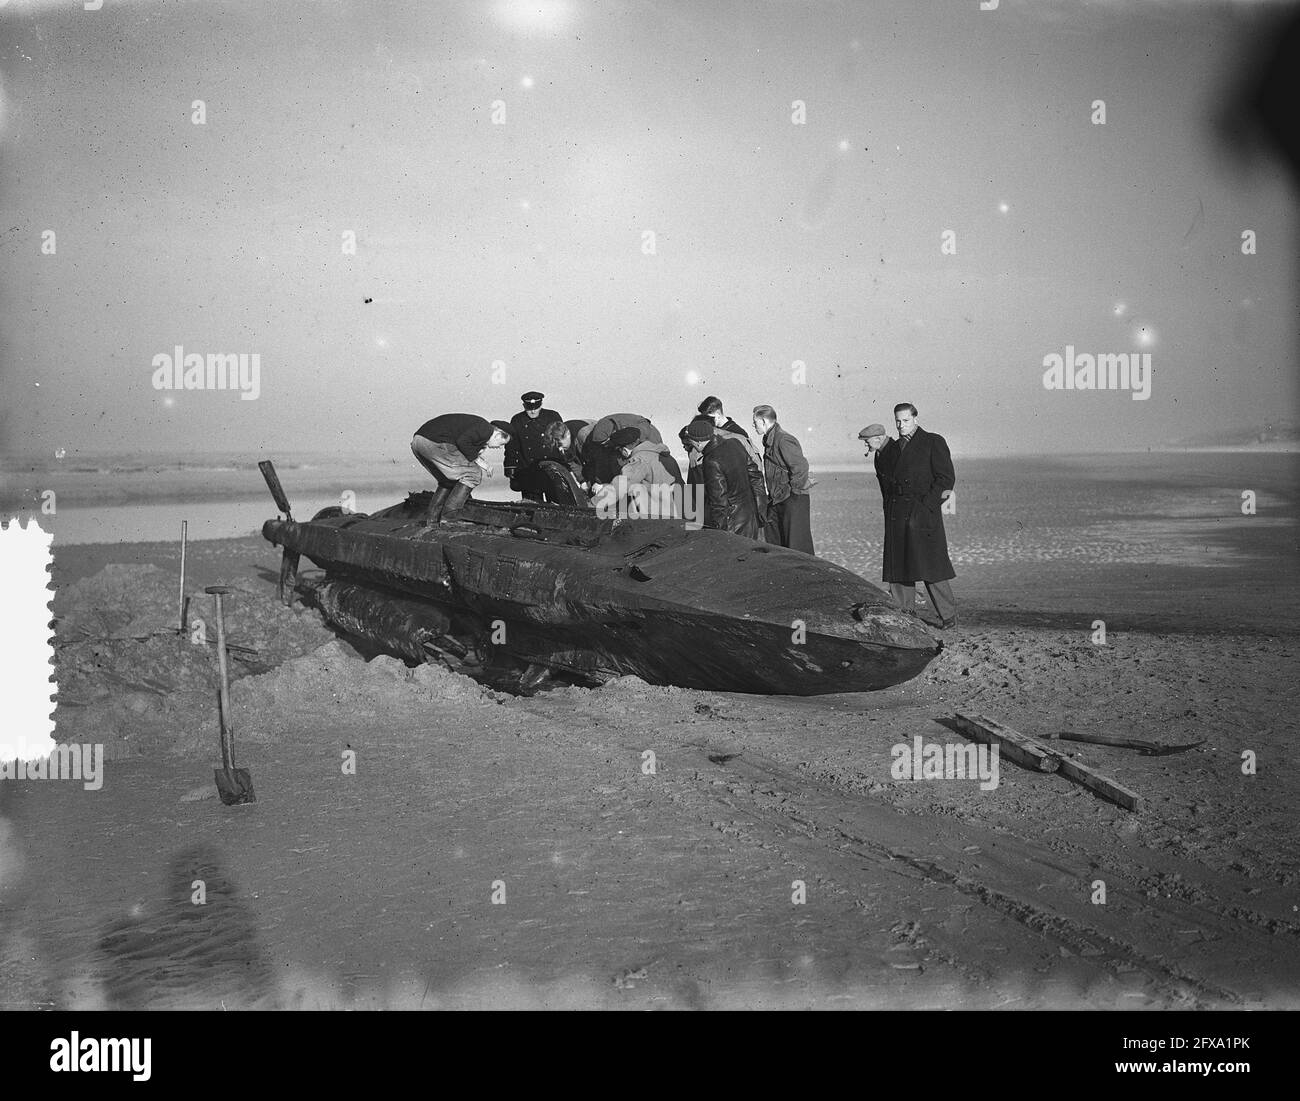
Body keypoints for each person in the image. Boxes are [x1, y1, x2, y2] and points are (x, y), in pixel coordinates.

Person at [880, 403, 957, 628]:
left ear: (915, 418)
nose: (901, 425)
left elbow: (946, 480)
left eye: (905, 420)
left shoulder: (933, 442)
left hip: (923, 513)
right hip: (897, 513)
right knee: (899, 567)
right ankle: (904, 614)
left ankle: (948, 616)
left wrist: (927, 507)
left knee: (931, 565)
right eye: (897, 421)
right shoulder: (893, 449)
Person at [410, 413, 512, 521]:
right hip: (435, 442)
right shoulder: (486, 429)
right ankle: (450, 518)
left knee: (448, 480)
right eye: (502, 444)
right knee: (473, 474)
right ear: (497, 434)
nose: (500, 447)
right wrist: (483, 464)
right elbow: (462, 442)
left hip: (419, 442)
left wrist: (478, 453)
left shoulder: (479, 429)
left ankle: (433, 520)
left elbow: (464, 446)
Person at [684, 419, 762, 538]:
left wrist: (719, 533)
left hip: (732, 525)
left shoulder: (711, 461)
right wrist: (760, 510)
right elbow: (756, 476)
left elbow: (719, 502)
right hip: (750, 517)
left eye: (691, 442)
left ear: (698, 442)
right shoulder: (734, 443)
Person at [752, 404, 814, 554]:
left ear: (764, 421)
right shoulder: (771, 439)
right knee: (782, 545)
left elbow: (801, 467)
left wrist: (791, 492)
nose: (753, 425)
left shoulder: (783, 439)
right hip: (780, 499)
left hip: (792, 499)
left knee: (797, 547)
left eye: (755, 422)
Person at [699, 396, 768, 524]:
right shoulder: (729, 433)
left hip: (740, 508)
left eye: (708, 418)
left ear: (717, 414)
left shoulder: (737, 434)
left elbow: (754, 467)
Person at [607, 425, 683, 517]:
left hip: (657, 515)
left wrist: (594, 503)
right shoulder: (663, 455)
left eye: (619, 450)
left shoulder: (639, 459)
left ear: (626, 447)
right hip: (678, 510)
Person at [505, 391, 563, 502]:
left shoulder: (552, 416)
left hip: (550, 468)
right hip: (528, 469)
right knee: (531, 505)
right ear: (524, 406)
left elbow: (562, 440)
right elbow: (511, 446)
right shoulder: (517, 420)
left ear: (541, 405)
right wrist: (510, 466)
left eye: (535, 408)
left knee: (556, 502)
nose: (532, 411)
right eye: (529, 408)